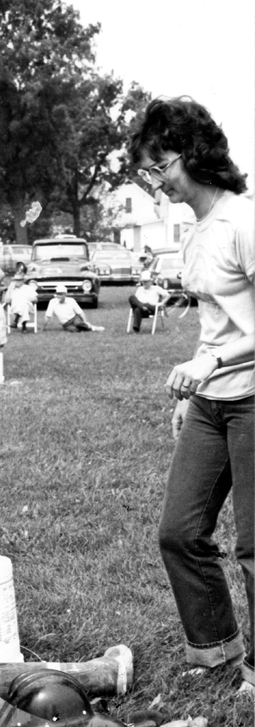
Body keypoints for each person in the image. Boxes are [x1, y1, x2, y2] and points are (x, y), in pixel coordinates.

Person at [129, 97, 254, 695]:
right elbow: (217, 324)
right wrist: (194, 389)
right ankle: (217, 650)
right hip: (211, 401)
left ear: (195, 154)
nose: (157, 183)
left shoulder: (244, 224)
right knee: (179, 531)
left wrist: (210, 362)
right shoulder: (196, 233)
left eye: (160, 168)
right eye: (148, 174)